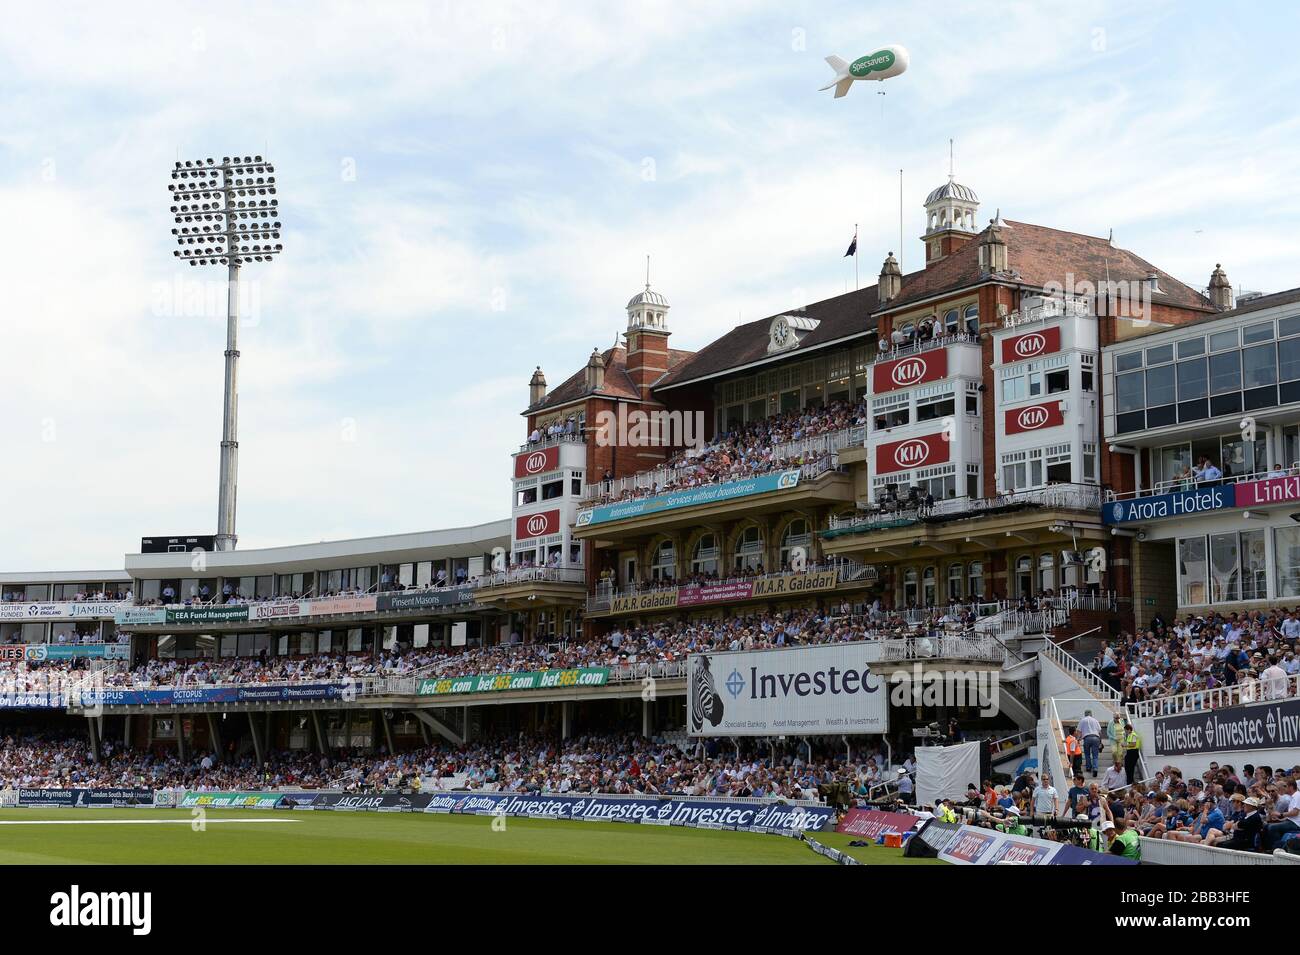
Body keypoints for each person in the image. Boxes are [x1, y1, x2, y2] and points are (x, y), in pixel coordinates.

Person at [1077, 710, 1102, 777]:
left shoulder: (1082, 720)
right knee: (1095, 755)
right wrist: (1100, 741)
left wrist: (1078, 739)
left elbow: (1079, 731)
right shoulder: (1095, 720)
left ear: (1085, 714)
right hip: (1096, 738)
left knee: (1087, 754)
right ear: (1091, 714)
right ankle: (1095, 768)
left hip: (1087, 738)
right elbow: (1100, 732)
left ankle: (1088, 767)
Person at [1121, 720, 1142, 786]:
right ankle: (1130, 781)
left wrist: (1125, 745)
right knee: (1128, 768)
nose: (1125, 732)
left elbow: (1133, 744)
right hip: (1130, 752)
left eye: (1126, 730)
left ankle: (1130, 782)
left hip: (1133, 753)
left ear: (1129, 730)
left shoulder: (1133, 735)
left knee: (1130, 768)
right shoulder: (1130, 735)